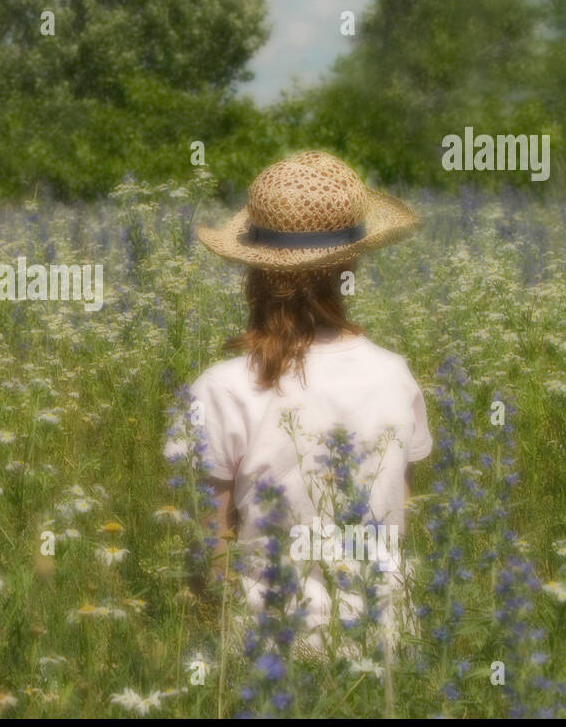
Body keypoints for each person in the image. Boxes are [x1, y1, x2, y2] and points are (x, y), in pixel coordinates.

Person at [172, 151, 432, 652]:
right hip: (383, 647)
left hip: (265, 652)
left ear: (253, 267)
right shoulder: (395, 375)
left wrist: (210, 622)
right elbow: (398, 515)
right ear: (352, 261)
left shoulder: (221, 387)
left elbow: (210, 545)